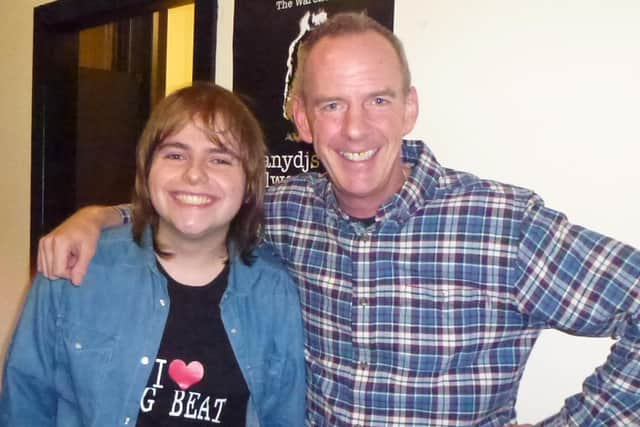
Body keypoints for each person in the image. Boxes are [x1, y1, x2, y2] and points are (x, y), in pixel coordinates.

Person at [35, 12, 640, 427]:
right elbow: (195, 203)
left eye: (378, 100)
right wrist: (99, 215)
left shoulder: (502, 227)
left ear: (409, 109)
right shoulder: (289, 211)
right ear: (300, 119)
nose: (355, 129)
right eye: (331, 105)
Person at [0, 82, 306, 426]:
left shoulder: (274, 293)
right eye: (175, 154)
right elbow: (24, 407)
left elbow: (285, 417)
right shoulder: (74, 269)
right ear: (147, 171)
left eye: (220, 159)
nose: (194, 174)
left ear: (249, 184)